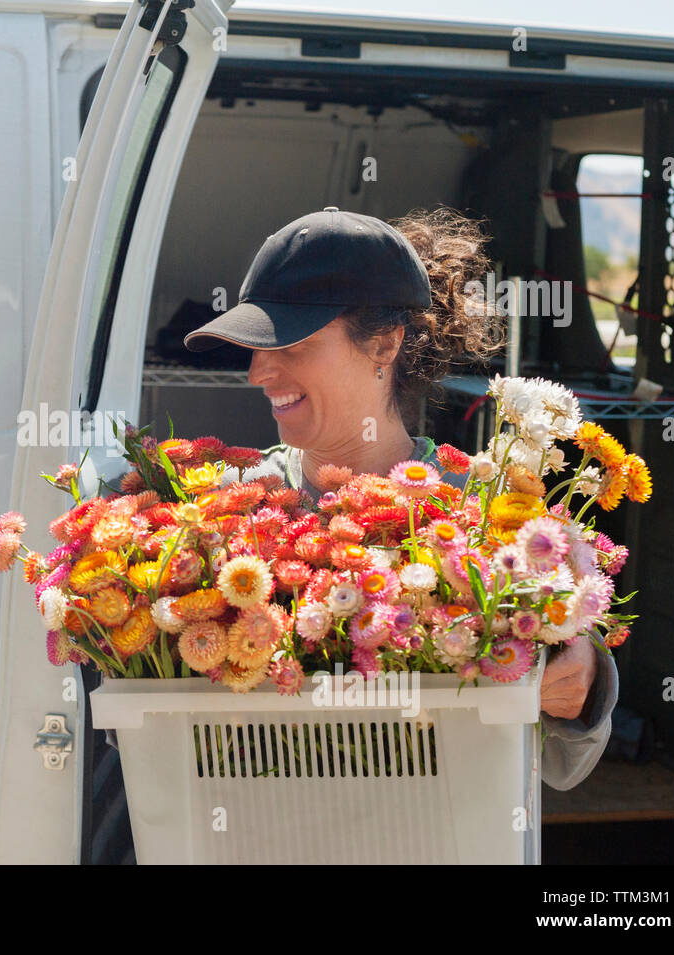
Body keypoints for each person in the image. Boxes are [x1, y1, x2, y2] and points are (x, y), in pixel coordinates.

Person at [178, 205, 616, 791]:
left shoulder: (485, 516)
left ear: (383, 345)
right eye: (253, 347)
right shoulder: (226, 509)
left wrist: (582, 677)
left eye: (291, 344)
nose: (260, 372)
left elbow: (565, 766)